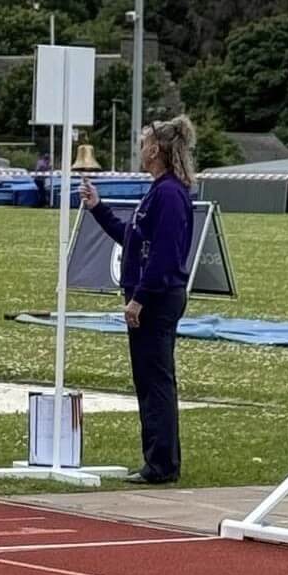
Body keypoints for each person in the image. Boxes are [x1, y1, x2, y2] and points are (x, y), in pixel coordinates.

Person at [79, 116, 196, 484]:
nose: (140, 150)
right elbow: (130, 238)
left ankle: (161, 463)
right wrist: (97, 207)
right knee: (148, 380)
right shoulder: (158, 192)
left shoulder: (170, 194)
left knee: (156, 381)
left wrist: (139, 300)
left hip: (158, 300)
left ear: (156, 150)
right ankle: (157, 459)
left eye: (144, 143)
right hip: (151, 297)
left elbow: (162, 255)